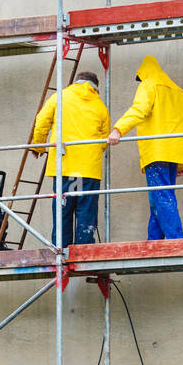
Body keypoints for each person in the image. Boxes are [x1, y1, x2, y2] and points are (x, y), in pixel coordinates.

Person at [107, 56, 183, 240]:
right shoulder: (179, 92)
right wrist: (181, 162)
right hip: (173, 152)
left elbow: (139, 109)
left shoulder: (150, 84)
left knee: (162, 197)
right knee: (159, 198)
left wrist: (118, 130)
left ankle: (176, 240)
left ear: (144, 74)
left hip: (157, 151)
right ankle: (154, 240)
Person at [32, 71, 110, 247]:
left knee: (63, 210)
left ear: (76, 82)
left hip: (64, 166)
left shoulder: (59, 97)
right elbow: (104, 140)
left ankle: (61, 248)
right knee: (86, 212)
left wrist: (38, 146)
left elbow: (42, 121)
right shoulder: (100, 106)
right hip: (89, 170)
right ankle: (84, 249)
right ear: (95, 87)